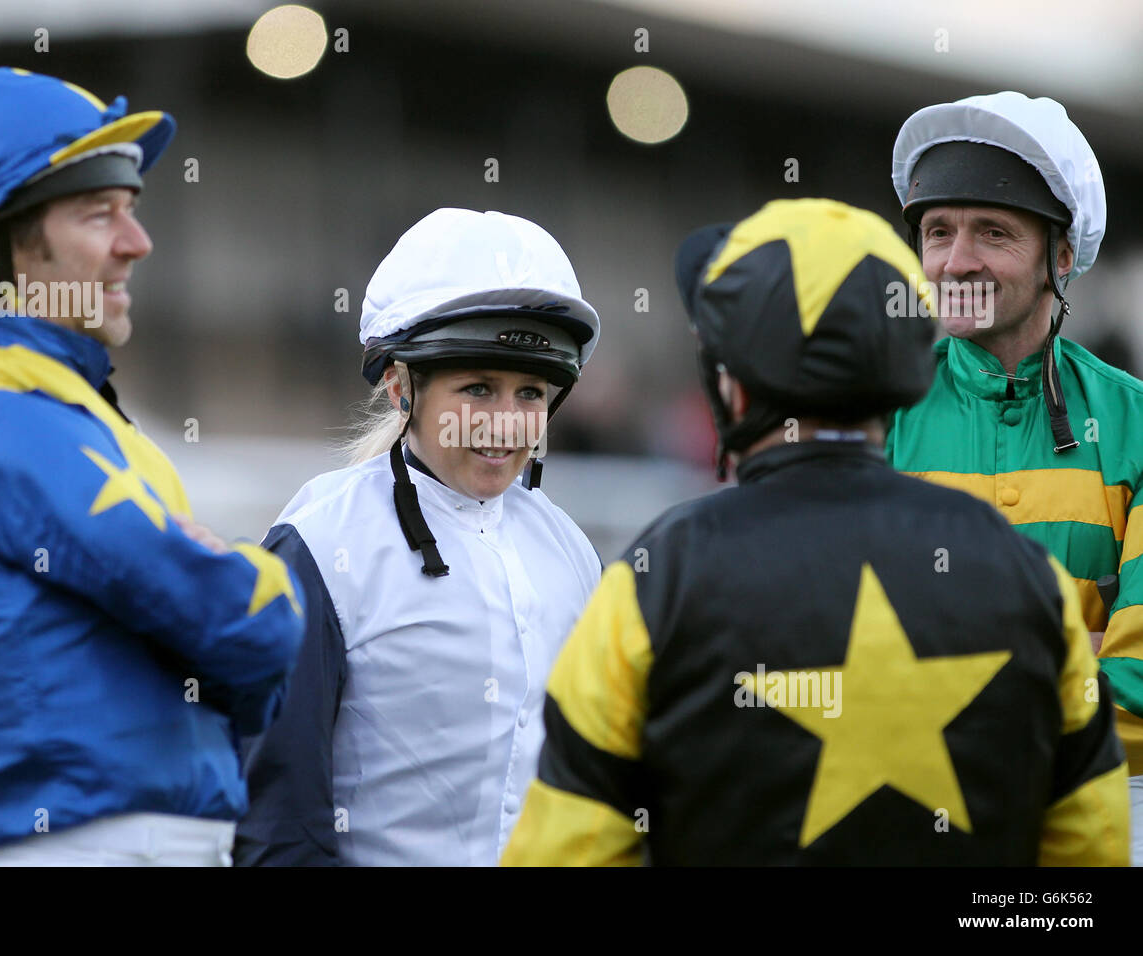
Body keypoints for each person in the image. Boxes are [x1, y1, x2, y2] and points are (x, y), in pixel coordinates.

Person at [501, 198, 1129, 865]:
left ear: (730, 389)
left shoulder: (657, 577)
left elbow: (567, 852)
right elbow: (1087, 865)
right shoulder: (1032, 579)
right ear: (909, 374)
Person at [0, 68, 305, 865]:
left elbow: (237, 665)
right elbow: (243, 625)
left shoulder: (69, 414)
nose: (136, 242)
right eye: (97, 213)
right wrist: (269, 590)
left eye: (132, 212)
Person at [234, 207, 603, 865]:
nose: (508, 423)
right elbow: (280, 821)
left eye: (530, 394)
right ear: (402, 388)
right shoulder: (318, 544)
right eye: (479, 388)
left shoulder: (571, 551)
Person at [883, 91, 1143, 862]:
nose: (957, 260)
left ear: (1061, 257)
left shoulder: (1134, 426)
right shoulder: (869, 416)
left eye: (992, 232)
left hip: (1102, 807)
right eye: (938, 233)